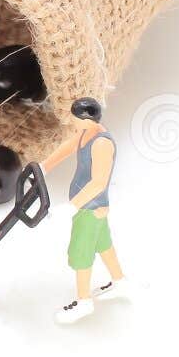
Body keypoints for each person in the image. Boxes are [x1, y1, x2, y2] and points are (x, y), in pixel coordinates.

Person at [40, 97, 127, 324]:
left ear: (88, 120)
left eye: (76, 118)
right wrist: (43, 167)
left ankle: (83, 302)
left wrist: (71, 207)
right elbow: (66, 148)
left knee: (81, 253)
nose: (72, 122)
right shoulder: (85, 134)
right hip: (88, 207)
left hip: (90, 208)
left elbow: (99, 182)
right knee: (104, 245)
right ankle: (121, 282)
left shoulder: (101, 144)